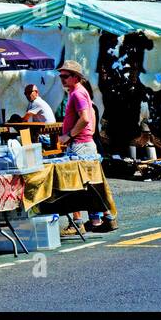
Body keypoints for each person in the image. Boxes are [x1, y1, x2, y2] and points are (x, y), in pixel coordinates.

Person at [56, 61, 111, 233]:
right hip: (84, 143)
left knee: (75, 184)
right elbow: (91, 117)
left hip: (79, 144)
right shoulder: (80, 92)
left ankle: (80, 222)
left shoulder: (78, 94)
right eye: (61, 76)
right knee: (90, 182)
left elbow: (86, 118)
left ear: (75, 77)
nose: (61, 79)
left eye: (65, 76)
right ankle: (101, 218)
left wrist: (70, 135)